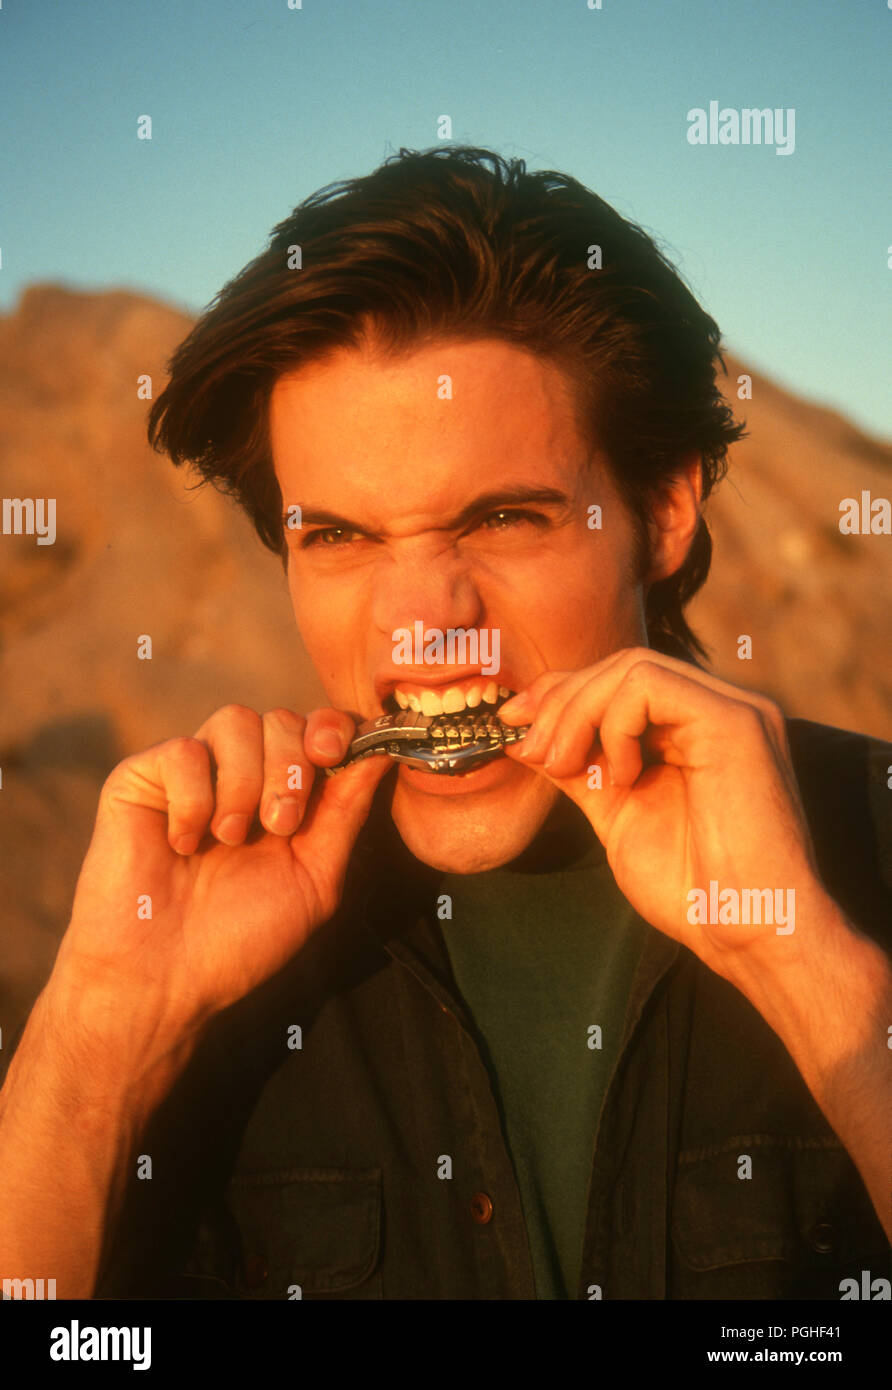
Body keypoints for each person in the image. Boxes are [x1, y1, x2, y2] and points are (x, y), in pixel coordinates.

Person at [1, 147, 889, 1301]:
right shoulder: (216, 948)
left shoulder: (871, 838)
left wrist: (809, 967)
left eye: (504, 517)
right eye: (338, 537)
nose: (422, 623)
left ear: (663, 512)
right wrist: (103, 1039)